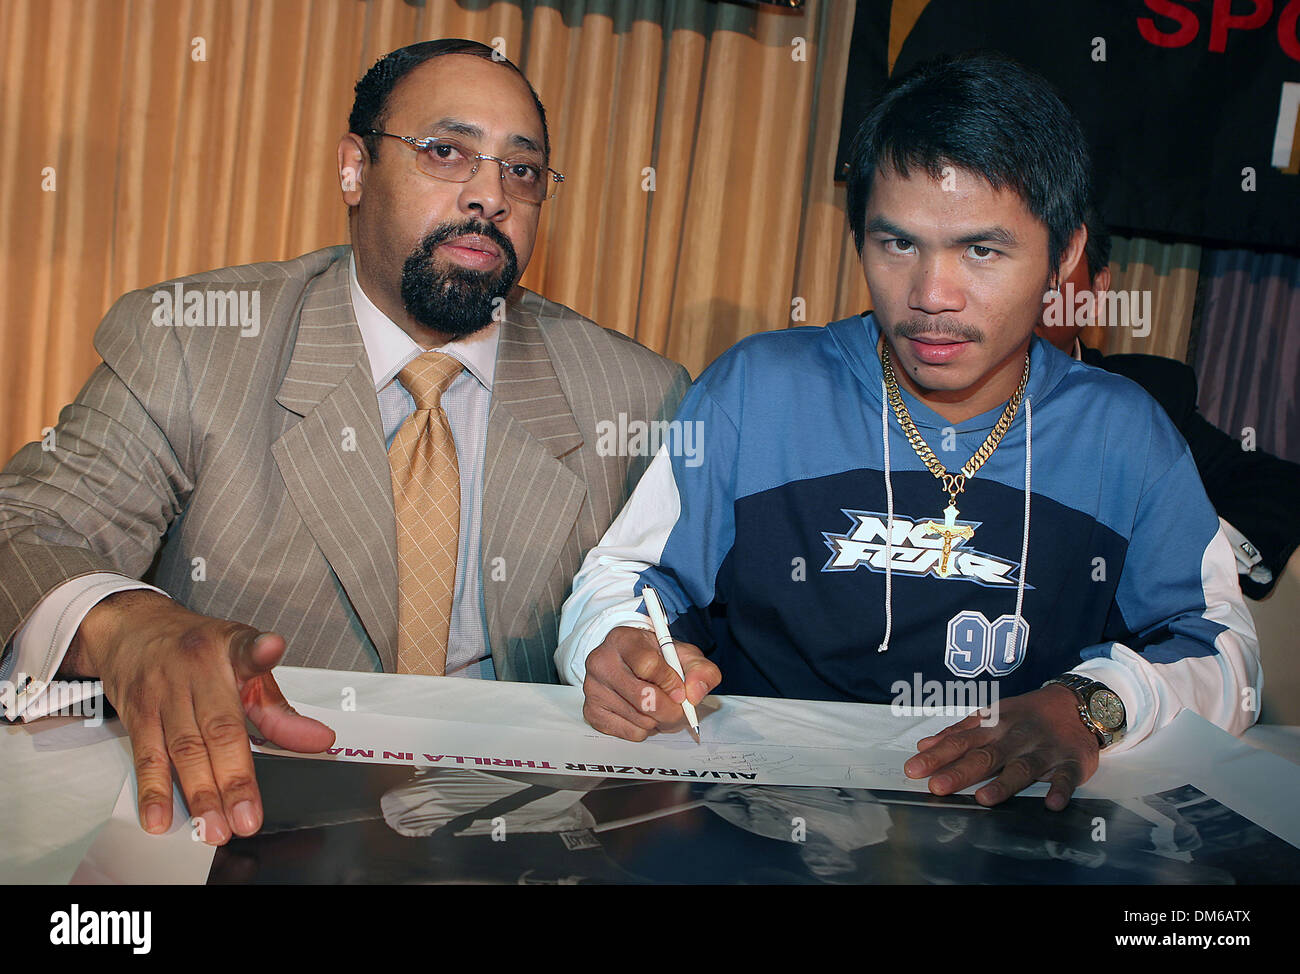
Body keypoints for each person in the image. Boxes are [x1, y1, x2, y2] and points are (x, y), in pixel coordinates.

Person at [0, 40, 688, 845]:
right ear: (353, 168)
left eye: (522, 171)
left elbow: (676, 618)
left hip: (519, 834)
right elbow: (27, 534)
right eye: (446, 152)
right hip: (249, 816)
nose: (490, 196)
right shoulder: (193, 345)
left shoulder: (637, 396)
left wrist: (652, 661)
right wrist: (129, 627)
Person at [557, 52, 1260, 811]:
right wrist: (618, 645)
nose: (931, 295)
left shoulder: (1124, 434)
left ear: (1065, 256)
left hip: (1018, 830)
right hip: (759, 819)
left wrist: (1091, 705)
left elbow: (1226, 657)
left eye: (981, 250)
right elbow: (626, 578)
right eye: (898, 244)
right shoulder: (758, 391)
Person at [1035, 214, 1300, 600]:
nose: (1027, 290)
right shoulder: (927, 392)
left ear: (1095, 293)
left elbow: (1274, 485)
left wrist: (1189, 553)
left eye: (1053, 269)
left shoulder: (1148, 395)